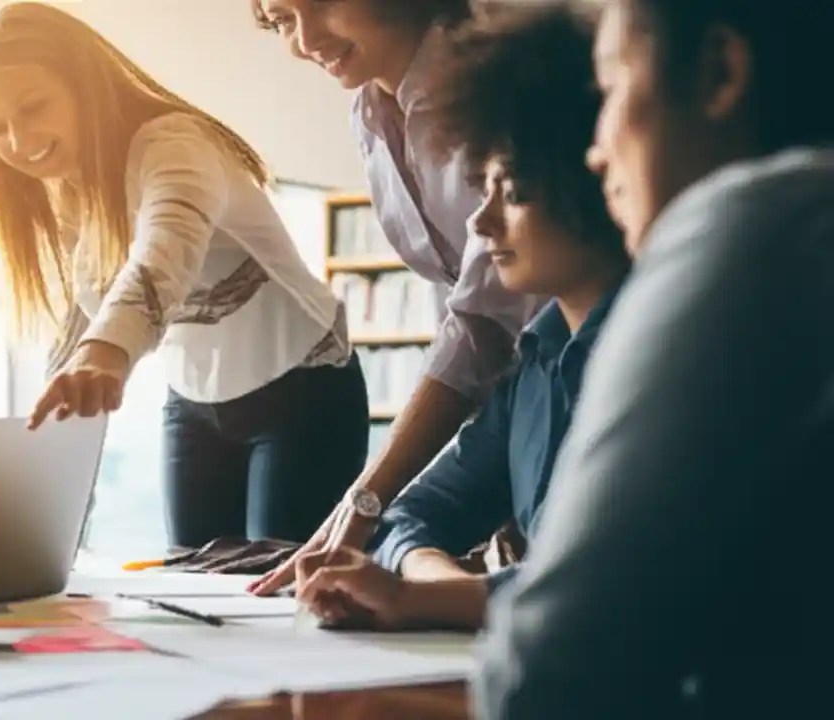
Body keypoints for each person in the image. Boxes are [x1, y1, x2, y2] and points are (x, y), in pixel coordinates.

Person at [474, 1, 834, 717]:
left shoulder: (756, 224)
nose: (595, 150)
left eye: (610, 89)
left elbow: (546, 676)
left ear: (720, 73)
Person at [0, 1, 368, 547]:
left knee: (276, 591)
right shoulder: (69, 191)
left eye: (34, 107)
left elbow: (164, 250)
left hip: (303, 390)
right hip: (194, 403)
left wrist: (105, 356)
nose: (19, 142)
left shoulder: (175, 145)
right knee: (190, 585)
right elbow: (77, 328)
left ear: (84, 88)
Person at [294, 3, 628, 632]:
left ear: (598, 179)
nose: (480, 220)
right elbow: (405, 519)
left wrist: (420, 598)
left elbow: (610, 580)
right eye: (481, 185)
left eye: (515, 191)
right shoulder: (534, 364)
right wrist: (443, 588)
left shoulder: (650, 362)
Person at [249, 0, 548, 595]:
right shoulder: (368, 111)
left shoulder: (497, 80)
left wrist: (368, 498)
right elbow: (456, 299)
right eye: (282, 19)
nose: (306, 40)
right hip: (509, 403)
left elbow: (483, 312)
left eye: (321, 5)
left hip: (560, 367)